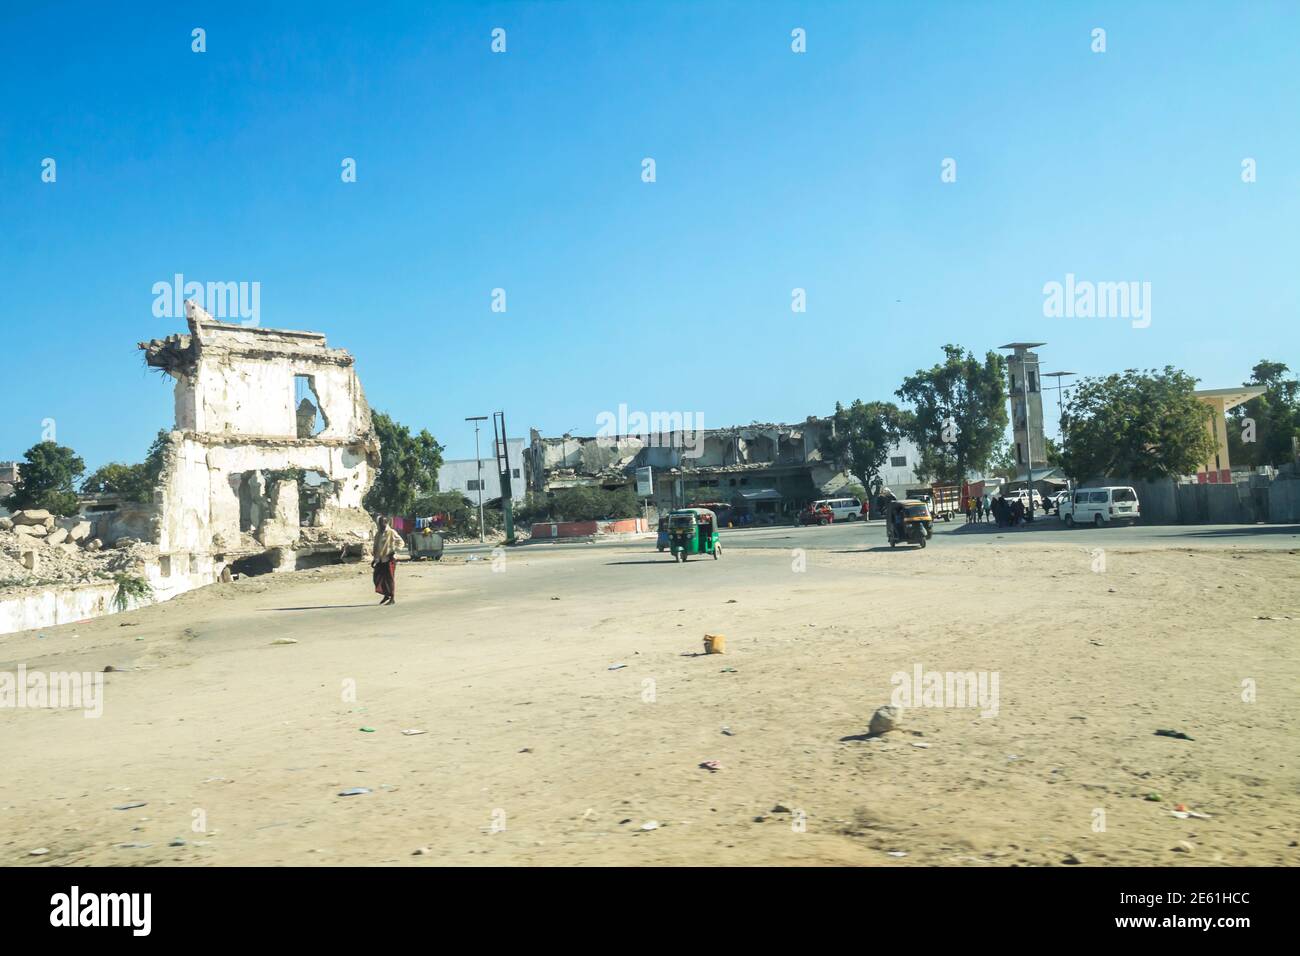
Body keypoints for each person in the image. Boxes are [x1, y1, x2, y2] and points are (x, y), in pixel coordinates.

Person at [372, 516, 403, 606]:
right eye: (380, 523)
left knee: (389, 578)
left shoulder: (391, 532)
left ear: (386, 523)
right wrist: (375, 558)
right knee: (377, 577)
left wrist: (394, 551)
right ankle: (386, 594)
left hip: (389, 559)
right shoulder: (378, 533)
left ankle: (392, 597)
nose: (381, 525)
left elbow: (401, 542)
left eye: (383, 523)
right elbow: (376, 547)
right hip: (380, 559)